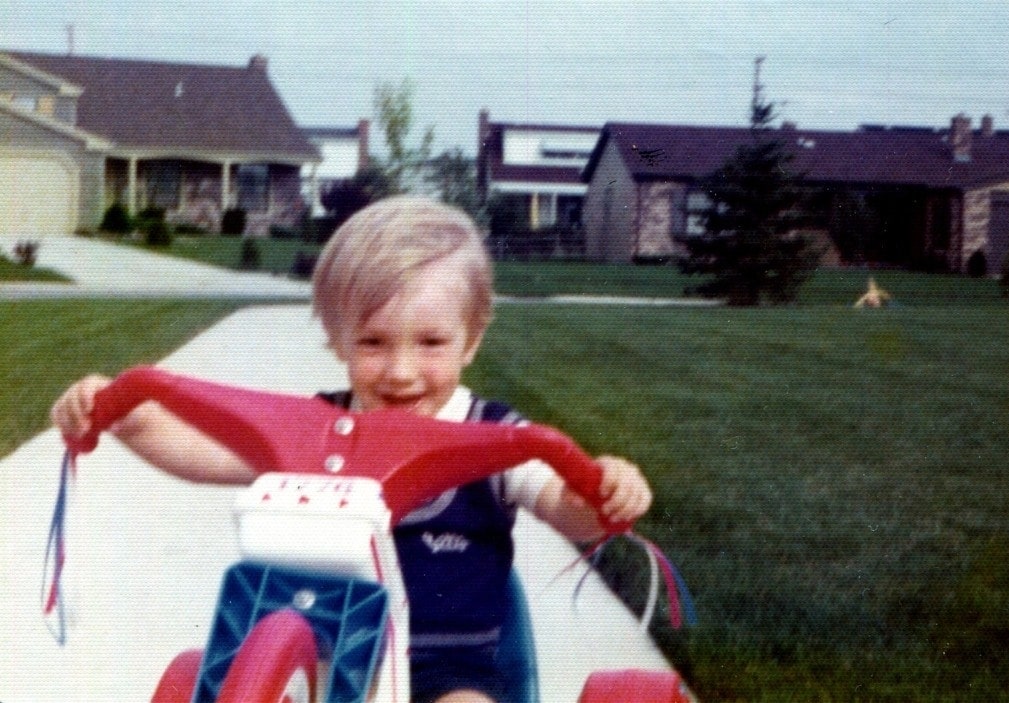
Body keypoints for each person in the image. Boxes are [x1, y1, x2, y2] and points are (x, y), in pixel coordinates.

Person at [51, 196, 653, 703]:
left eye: (431, 343)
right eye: (372, 342)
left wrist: (601, 493)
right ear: (337, 339)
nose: (401, 371)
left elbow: (564, 505)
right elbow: (206, 453)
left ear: (471, 339)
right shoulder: (319, 429)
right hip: (325, 656)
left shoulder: (495, 436)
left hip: (444, 673)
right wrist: (126, 418)